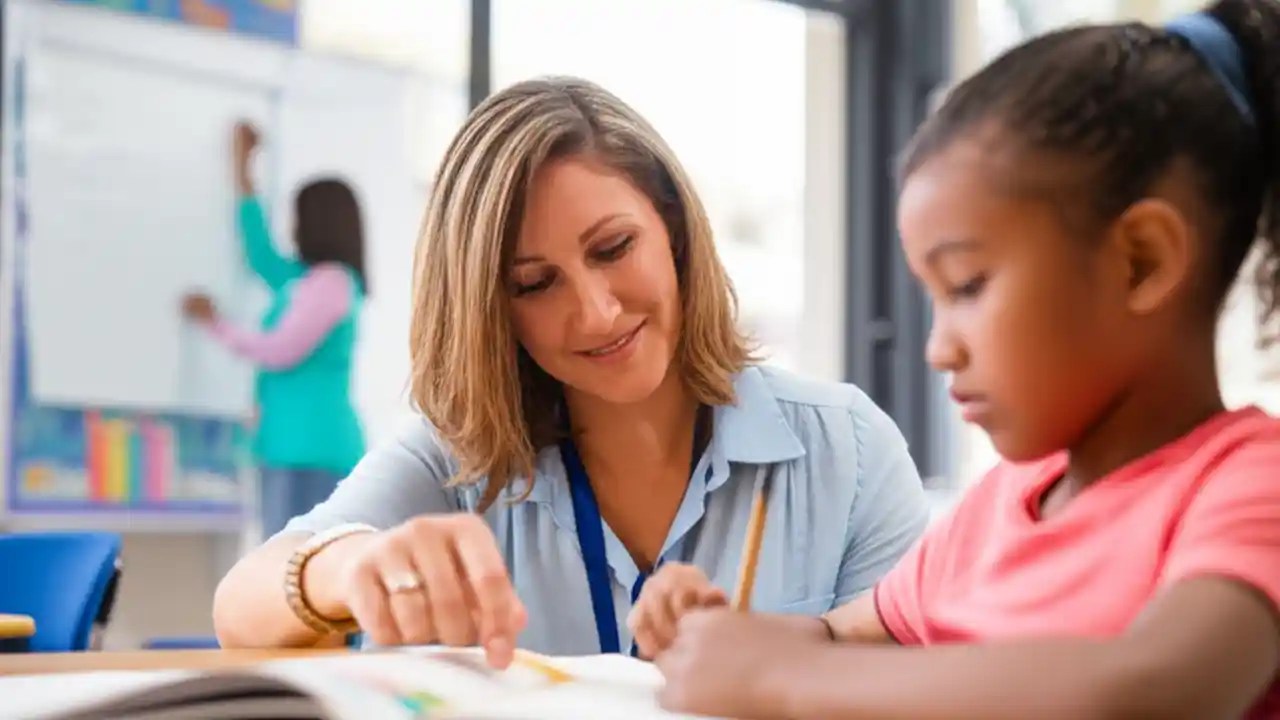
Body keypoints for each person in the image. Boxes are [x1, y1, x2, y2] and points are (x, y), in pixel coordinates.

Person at [635, 1, 1280, 718]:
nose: (939, 348)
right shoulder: (997, 504)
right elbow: (837, 640)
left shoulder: (1251, 486)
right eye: (933, 299)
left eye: (969, 285)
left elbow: (1156, 692)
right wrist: (723, 635)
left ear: (1141, 261)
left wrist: (775, 680)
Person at [211, 77, 931, 667]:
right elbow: (239, 609)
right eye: (533, 283)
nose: (595, 312)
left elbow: (915, 690)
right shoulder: (458, 461)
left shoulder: (851, 450)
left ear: (674, 231)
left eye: (614, 247)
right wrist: (349, 568)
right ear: (493, 311)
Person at [183, 122, 368, 539]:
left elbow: (281, 350)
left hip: (313, 450)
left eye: (298, 216)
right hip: (284, 447)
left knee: (295, 573)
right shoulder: (303, 281)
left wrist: (216, 324)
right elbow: (260, 254)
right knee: (282, 571)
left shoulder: (333, 284)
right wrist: (243, 171)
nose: (293, 227)